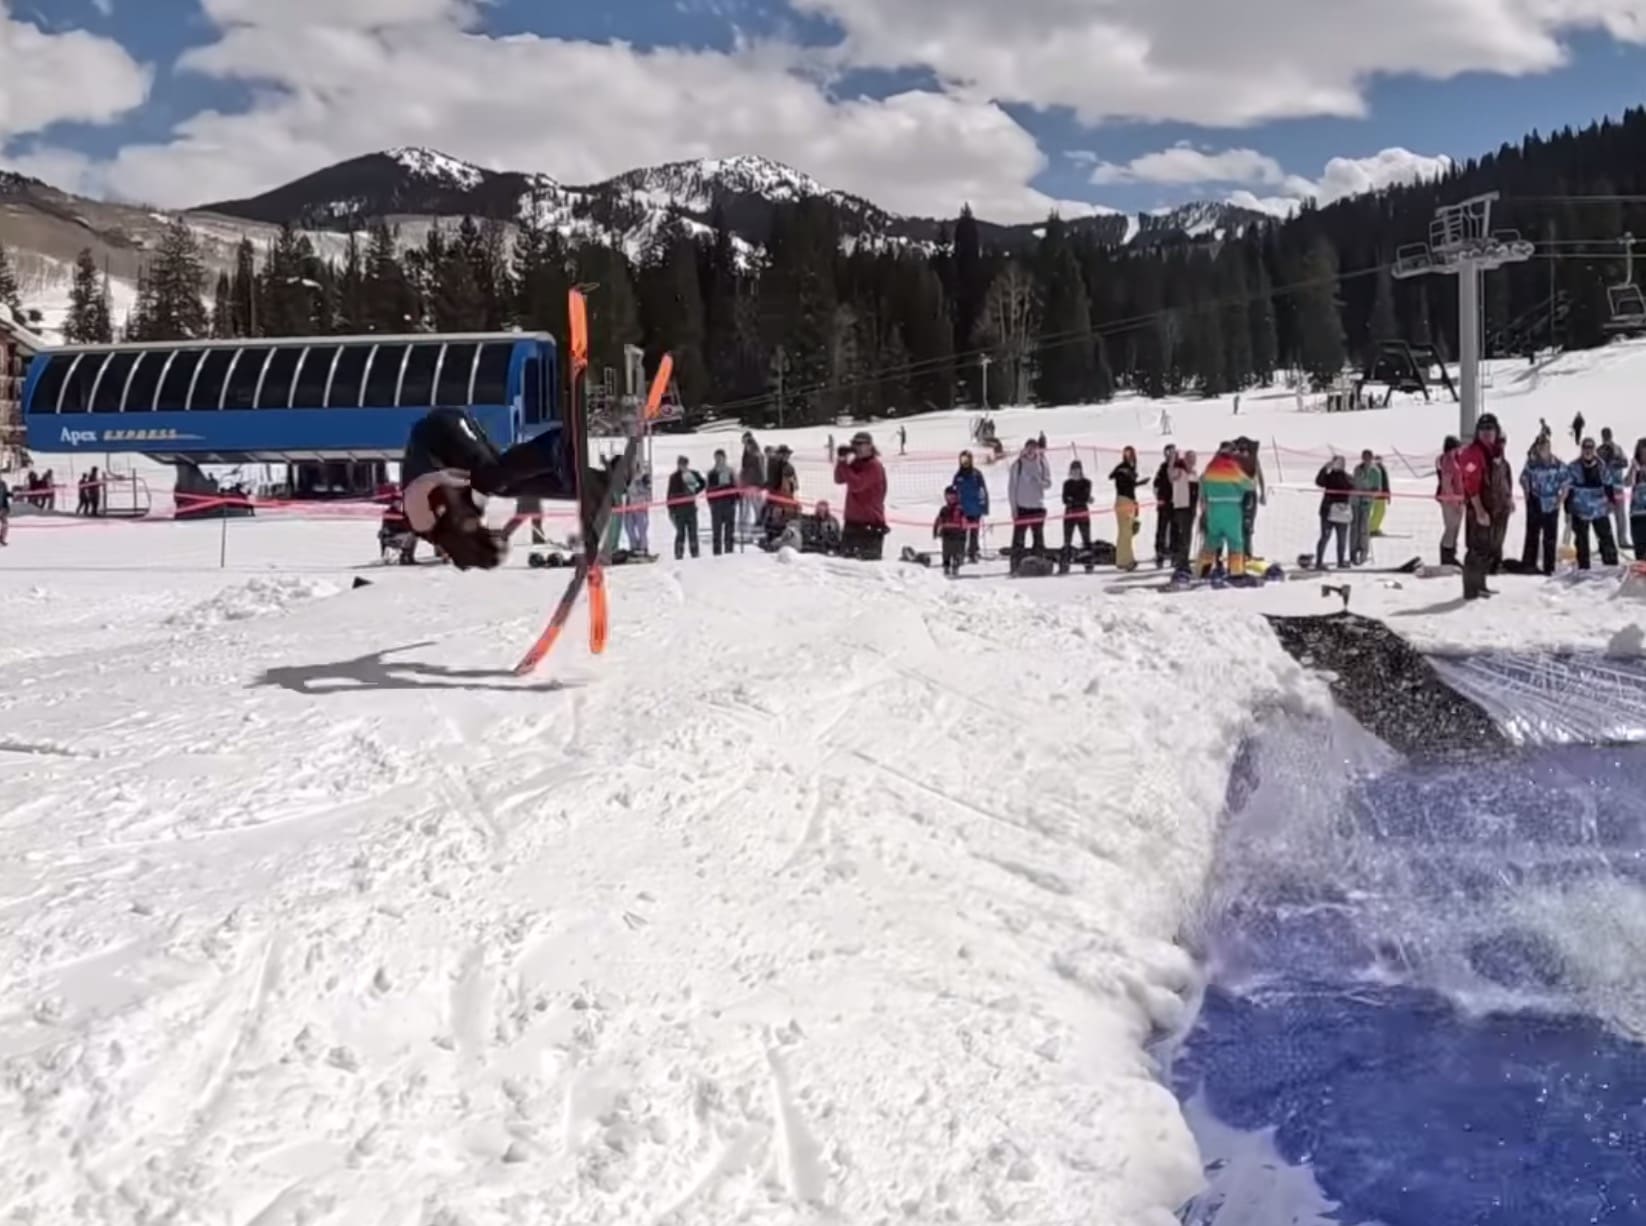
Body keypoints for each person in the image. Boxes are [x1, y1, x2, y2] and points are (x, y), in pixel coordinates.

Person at [398, 406, 594, 570]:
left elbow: (416, 489)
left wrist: (444, 478)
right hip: (449, 451)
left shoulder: (424, 522)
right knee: (502, 485)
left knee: (489, 476)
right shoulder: (462, 520)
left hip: (436, 432)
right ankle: (572, 484)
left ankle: (552, 445)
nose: (481, 524)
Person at [1456, 413, 1510, 599]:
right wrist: (1479, 510)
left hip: (1495, 508)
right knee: (1476, 549)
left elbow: (1502, 478)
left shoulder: (1496, 452)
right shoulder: (1473, 453)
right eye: (1483, 429)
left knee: (1489, 549)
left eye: (1490, 429)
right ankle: (1471, 589)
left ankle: (1481, 585)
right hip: (1480, 507)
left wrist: (1507, 500)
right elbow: (1470, 484)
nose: (1487, 433)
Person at [1196, 443, 1255, 580]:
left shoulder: (1210, 467)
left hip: (1213, 509)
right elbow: (1249, 485)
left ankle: (1202, 570)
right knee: (1235, 541)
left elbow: (1202, 482)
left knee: (1212, 539)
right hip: (1232, 510)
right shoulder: (1233, 468)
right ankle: (1236, 572)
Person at [1566, 437, 1621, 569]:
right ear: (1582, 449)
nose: (1588, 451)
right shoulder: (1573, 467)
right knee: (1581, 540)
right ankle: (1583, 568)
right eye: (1585, 448)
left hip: (1599, 509)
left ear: (1594, 450)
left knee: (1606, 537)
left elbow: (1609, 485)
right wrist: (1567, 508)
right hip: (1580, 510)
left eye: (1590, 448)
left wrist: (1612, 502)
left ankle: (1611, 565)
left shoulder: (1601, 466)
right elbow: (1568, 488)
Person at [833, 431, 888, 560]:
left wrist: (845, 467)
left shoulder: (874, 466)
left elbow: (857, 484)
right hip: (852, 522)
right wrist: (841, 461)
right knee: (846, 565)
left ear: (869, 446)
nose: (856, 447)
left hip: (870, 524)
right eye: (854, 444)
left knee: (867, 568)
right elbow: (839, 479)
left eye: (860, 444)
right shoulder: (856, 463)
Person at [1519, 438, 1567, 576]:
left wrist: (1560, 499)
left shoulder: (1557, 464)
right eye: (1540, 448)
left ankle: (1548, 567)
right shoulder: (1532, 464)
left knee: (1550, 537)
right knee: (1532, 534)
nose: (1543, 450)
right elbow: (1523, 478)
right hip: (1535, 501)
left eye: (1545, 447)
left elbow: (1566, 482)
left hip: (1551, 503)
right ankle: (1529, 564)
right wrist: (1527, 492)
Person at [1007, 438, 1051, 574]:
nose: (1031, 451)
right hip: (1022, 507)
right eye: (1029, 448)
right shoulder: (1017, 464)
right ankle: (1015, 566)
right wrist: (1013, 508)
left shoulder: (1042, 462)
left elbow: (1049, 483)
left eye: (1034, 447)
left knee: (1038, 539)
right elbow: (1011, 488)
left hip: (1037, 506)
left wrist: (1040, 482)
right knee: (1018, 540)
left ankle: (1039, 565)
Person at [1314, 456, 1354, 569]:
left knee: (1342, 538)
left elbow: (1352, 486)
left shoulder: (1347, 477)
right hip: (1327, 512)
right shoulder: (1328, 477)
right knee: (1325, 537)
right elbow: (1318, 482)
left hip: (1342, 512)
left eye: (1340, 462)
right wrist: (1325, 468)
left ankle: (1340, 561)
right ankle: (1319, 562)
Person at [951, 450, 990, 563]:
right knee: (961, 533)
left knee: (974, 532)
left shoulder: (977, 474)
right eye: (963, 460)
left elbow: (983, 491)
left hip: (975, 509)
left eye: (967, 460)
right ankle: (960, 553)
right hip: (963, 510)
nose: (965, 462)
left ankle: (973, 552)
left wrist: (984, 506)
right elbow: (953, 493)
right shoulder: (958, 476)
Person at [1109, 447, 1141, 571]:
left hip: (1130, 500)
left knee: (1129, 532)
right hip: (1123, 500)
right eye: (1126, 454)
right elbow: (1112, 476)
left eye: (1130, 454)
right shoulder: (1122, 468)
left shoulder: (1132, 469)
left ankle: (1128, 558)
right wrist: (1123, 472)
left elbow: (1131, 485)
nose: (1129, 457)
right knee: (1124, 532)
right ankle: (1123, 560)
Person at [666, 456, 704, 560]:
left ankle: (694, 552)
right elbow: (670, 494)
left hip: (691, 508)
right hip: (679, 510)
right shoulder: (674, 477)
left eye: (684, 464)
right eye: (680, 464)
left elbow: (702, 483)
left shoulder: (692, 474)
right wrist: (671, 509)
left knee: (693, 533)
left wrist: (695, 490)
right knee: (680, 533)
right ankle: (679, 554)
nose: (682, 466)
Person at [1061, 459, 1093, 574]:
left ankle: (1088, 564)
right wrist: (1077, 499)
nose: (1075, 472)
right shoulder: (1067, 483)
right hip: (1069, 514)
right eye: (1073, 470)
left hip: (1082, 514)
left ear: (1080, 471)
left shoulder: (1087, 482)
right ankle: (1065, 564)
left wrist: (1074, 499)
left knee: (1086, 540)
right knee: (1067, 541)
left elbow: (1084, 496)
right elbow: (1065, 499)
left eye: (1077, 470)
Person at [1435, 436, 1464, 566]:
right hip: (1450, 500)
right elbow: (1447, 483)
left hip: (1456, 499)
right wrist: (1454, 502)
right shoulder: (1448, 461)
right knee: (1450, 528)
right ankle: (1446, 556)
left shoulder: (1453, 459)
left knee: (1455, 528)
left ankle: (1451, 554)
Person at [705, 448, 738, 556]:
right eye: (716, 458)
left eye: (720, 458)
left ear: (724, 458)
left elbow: (736, 487)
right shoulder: (711, 473)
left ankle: (729, 551)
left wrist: (735, 500)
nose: (718, 460)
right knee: (717, 530)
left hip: (728, 503)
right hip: (716, 505)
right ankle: (717, 552)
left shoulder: (730, 471)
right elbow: (708, 489)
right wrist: (711, 502)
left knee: (729, 530)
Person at [933, 487, 968, 575]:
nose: (951, 499)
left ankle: (956, 566)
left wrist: (964, 533)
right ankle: (946, 566)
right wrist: (935, 530)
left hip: (957, 535)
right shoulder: (944, 509)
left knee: (957, 552)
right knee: (946, 552)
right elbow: (938, 520)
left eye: (953, 497)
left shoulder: (960, 510)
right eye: (949, 497)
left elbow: (964, 522)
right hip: (946, 534)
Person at [1152, 445, 1177, 568]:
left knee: (1174, 529)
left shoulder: (1179, 466)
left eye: (1172, 452)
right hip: (1164, 503)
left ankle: (1173, 551)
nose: (1170, 455)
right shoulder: (1162, 468)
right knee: (1162, 528)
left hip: (1175, 503)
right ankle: (1160, 551)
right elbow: (1156, 485)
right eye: (1168, 452)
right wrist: (1159, 497)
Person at [1629, 438, 1646, 562]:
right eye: (1642, 452)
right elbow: (1627, 483)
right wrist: (1633, 470)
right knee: (1639, 545)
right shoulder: (1635, 467)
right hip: (1637, 512)